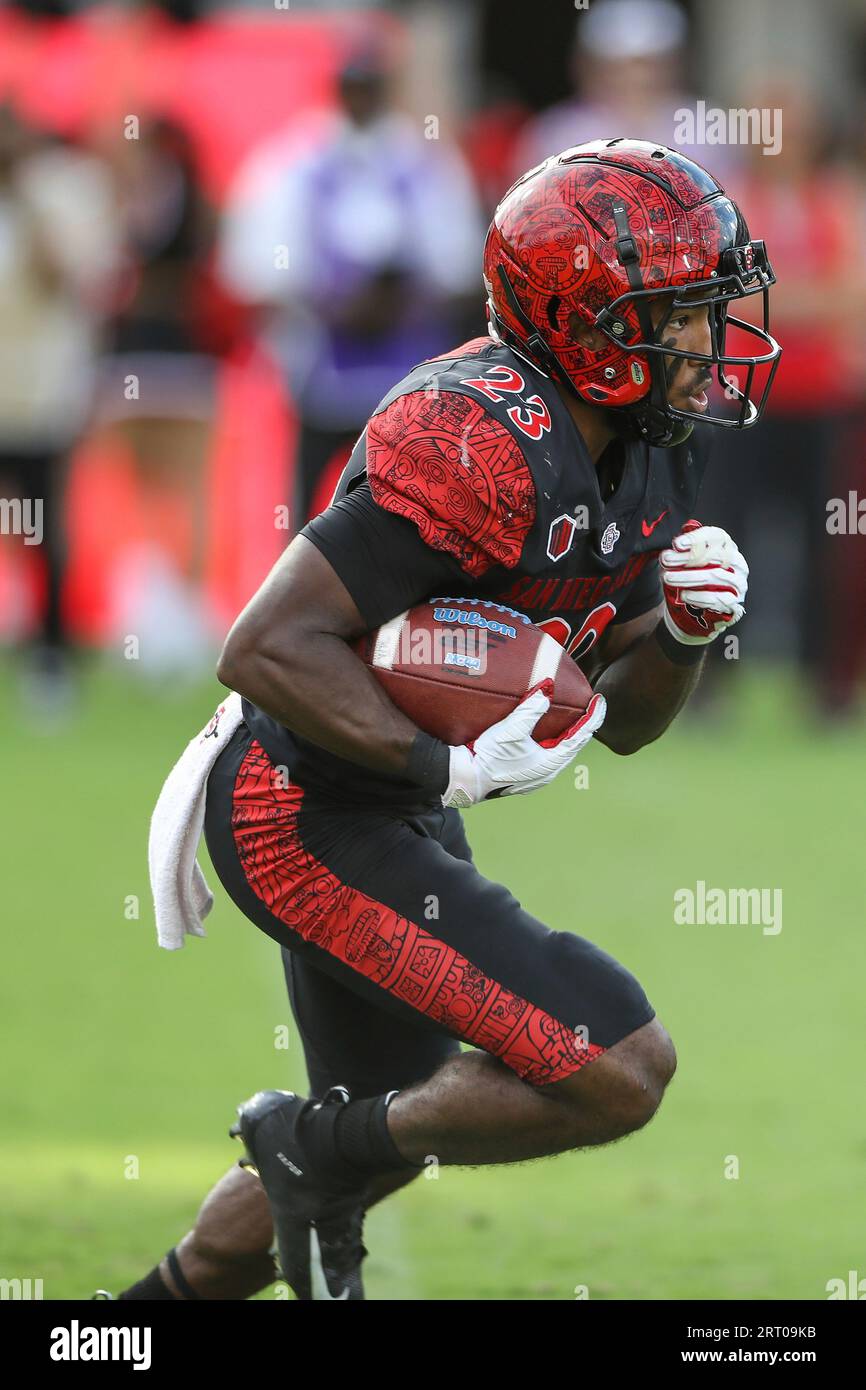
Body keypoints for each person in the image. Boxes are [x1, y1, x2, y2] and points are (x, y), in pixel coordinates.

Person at [117, 139, 780, 1302]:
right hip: (302, 809)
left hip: (395, 811)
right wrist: (445, 758)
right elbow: (264, 644)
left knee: (386, 1131)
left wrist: (676, 630)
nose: (702, 338)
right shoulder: (473, 436)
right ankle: (303, 1155)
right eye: (674, 311)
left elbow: (619, 724)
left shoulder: (654, 447)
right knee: (617, 1066)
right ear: (581, 322)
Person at [217, 41, 484, 530]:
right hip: (320, 373)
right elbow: (252, 273)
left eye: (370, 86)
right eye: (352, 85)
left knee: (411, 507)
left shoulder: (425, 165)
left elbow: (462, 269)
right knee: (310, 509)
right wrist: (331, 306)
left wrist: (397, 303)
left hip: (407, 377)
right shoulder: (293, 163)